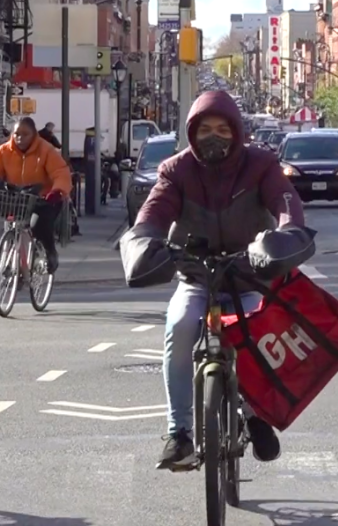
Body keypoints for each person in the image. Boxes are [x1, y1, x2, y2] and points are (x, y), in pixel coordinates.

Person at [119, 91, 316, 470]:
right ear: (192, 133)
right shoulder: (176, 171)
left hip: (249, 277)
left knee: (259, 336)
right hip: (196, 276)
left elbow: (285, 201)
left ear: (237, 131)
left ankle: (257, 415)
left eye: (223, 129)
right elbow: (154, 212)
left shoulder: (260, 165)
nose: (214, 136)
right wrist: (143, 238)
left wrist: (287, 232)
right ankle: (179, 435)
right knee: (178, 327)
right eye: (205, 129)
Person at [0, 117, 72, 272]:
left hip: (43, 198)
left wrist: (57, 191)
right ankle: (15, 265)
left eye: (25, 134)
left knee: (38, 225)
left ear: (34, 134)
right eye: (16, 134)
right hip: (16, 198)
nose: (20, 138)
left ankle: (50, 253)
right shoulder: (4, 151)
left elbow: (60, 172)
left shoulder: (46, 150)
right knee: (9, 222)